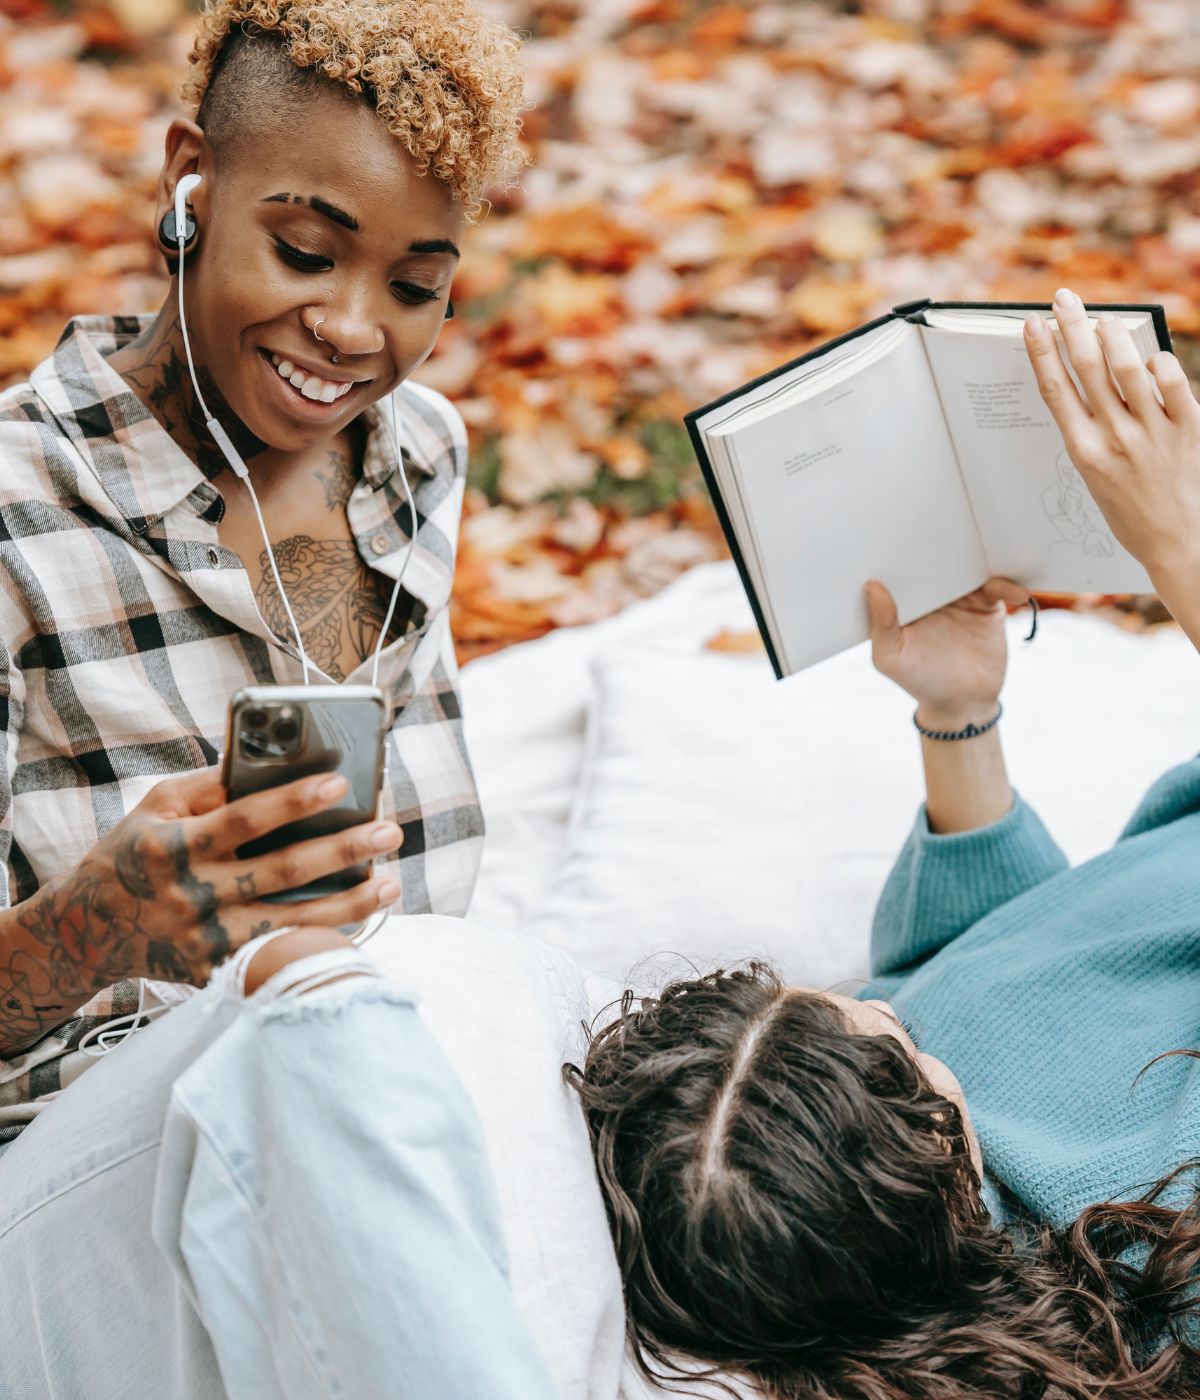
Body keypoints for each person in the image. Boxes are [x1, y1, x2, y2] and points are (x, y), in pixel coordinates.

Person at [0, 2, 569, 1393]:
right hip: (70, 1208)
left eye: (417, 285)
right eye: (305, 252)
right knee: (305, 1006)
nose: (351, 332)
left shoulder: (414, 455)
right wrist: (95, 929)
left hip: (379, 1147)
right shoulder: (19, 512)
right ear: (187, 180)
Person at [571, 288, 1200, 1399]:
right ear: (928, 1159)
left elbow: (1003, 950)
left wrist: (957, 712)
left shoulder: (901, 1147)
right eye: (888, 1036)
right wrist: (1179, 544)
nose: (881, 1000)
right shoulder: (1156, 1228)